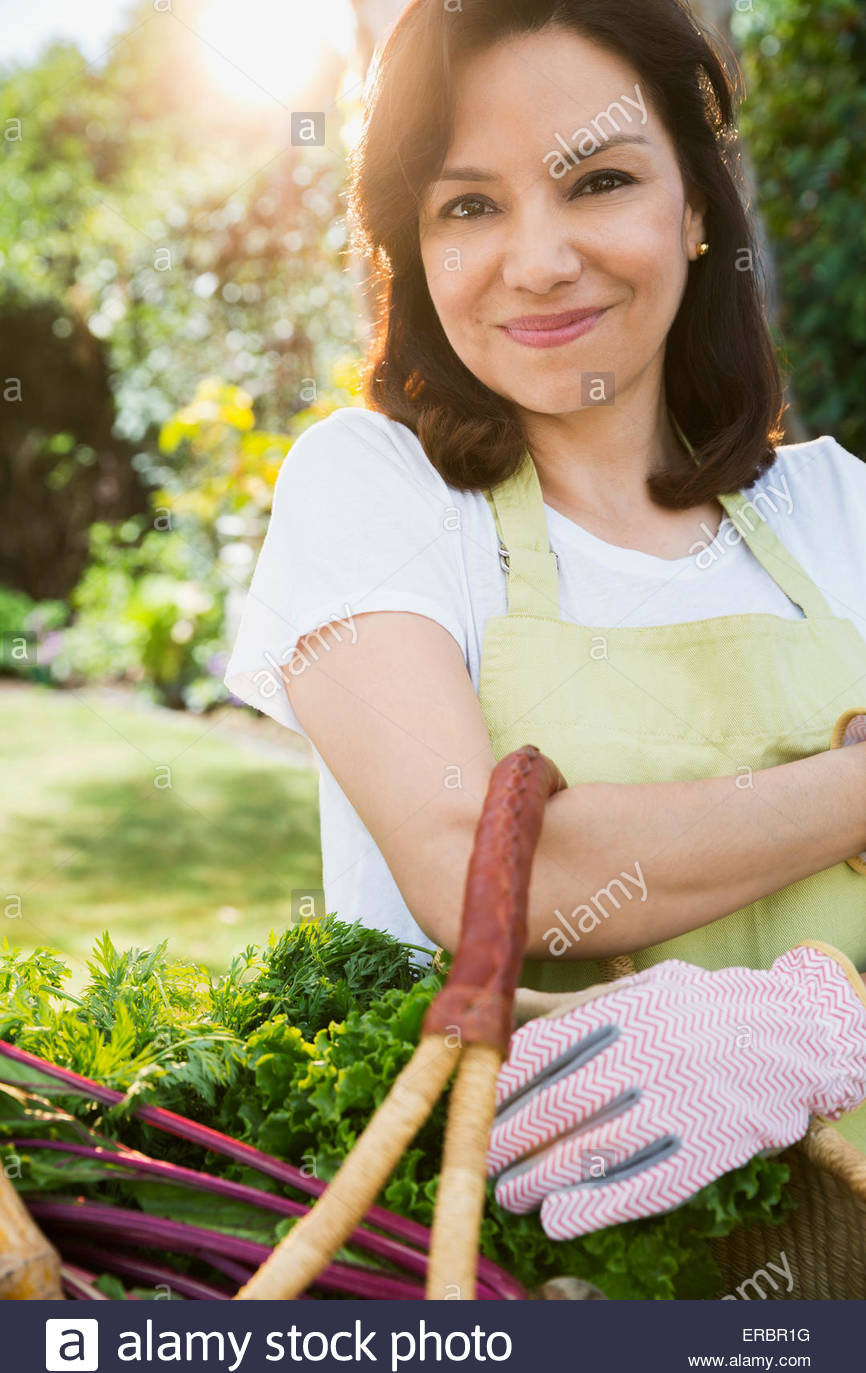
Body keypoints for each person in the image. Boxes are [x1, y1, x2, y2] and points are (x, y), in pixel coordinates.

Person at [224, 0, 866, 1232]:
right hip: (511, 1267)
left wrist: (830, 1027)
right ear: (411, 243)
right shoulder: (376, 491)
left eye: (598, 181)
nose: (536, 261)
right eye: (469, 204)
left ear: (691, 209)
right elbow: (484, 868)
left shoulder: (837, 510)